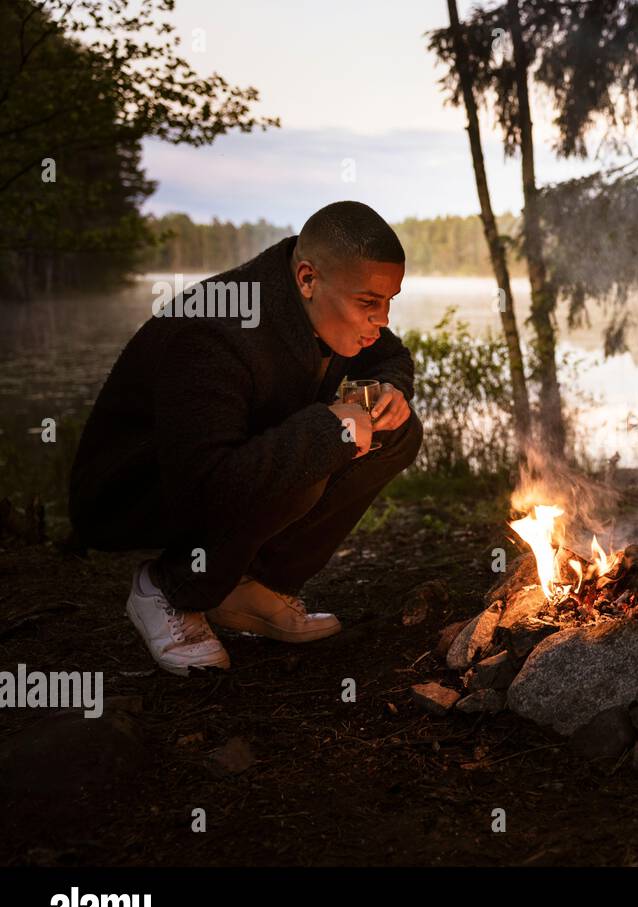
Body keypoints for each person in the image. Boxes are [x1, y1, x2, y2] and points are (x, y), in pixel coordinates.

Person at [69, 201, 423, 674]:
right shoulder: (216, 334)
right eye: (368, 303)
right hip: (136, 492)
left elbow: (388, 355)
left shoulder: (331, 308)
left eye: (388, 302)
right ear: (307, 278)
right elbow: (204, 485)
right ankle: (170, 588)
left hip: (224, 468)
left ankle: (257, 586)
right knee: (311, 455)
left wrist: (392, 389)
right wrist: (326, 431)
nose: (380, 320)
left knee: (395, 432)